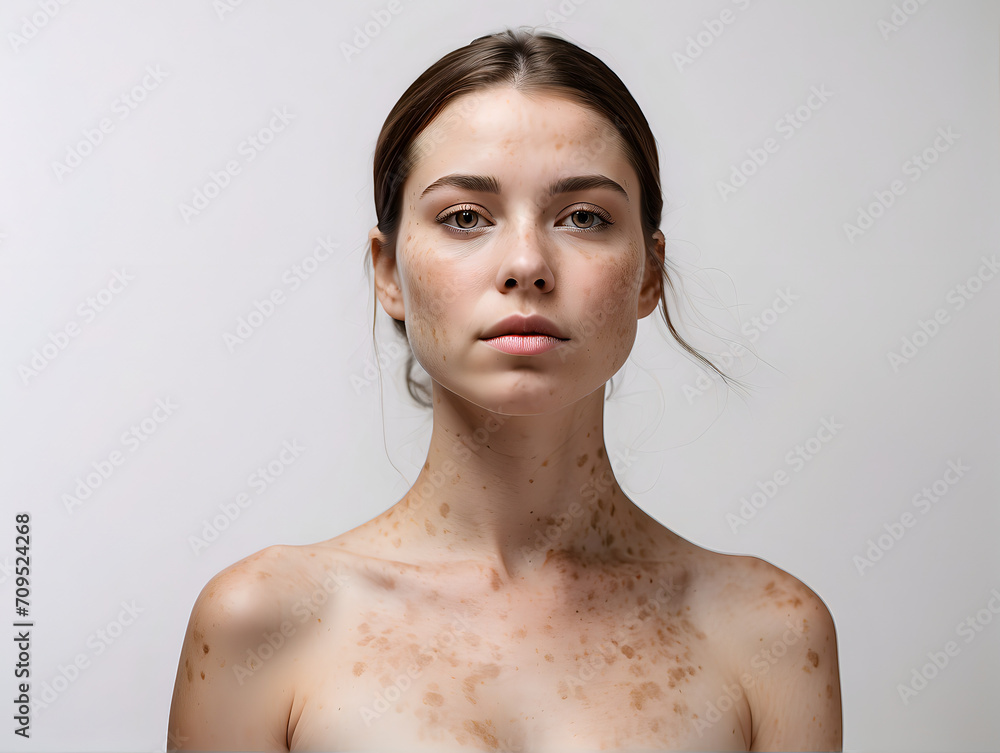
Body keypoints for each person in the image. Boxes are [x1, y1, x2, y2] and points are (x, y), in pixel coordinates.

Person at [167, 27, 842, 752]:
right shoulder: (264, 621)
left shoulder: (769, 632)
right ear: (388, 271)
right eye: (466, 217)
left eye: (583, 216)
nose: (526, 264)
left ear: (647, 273)